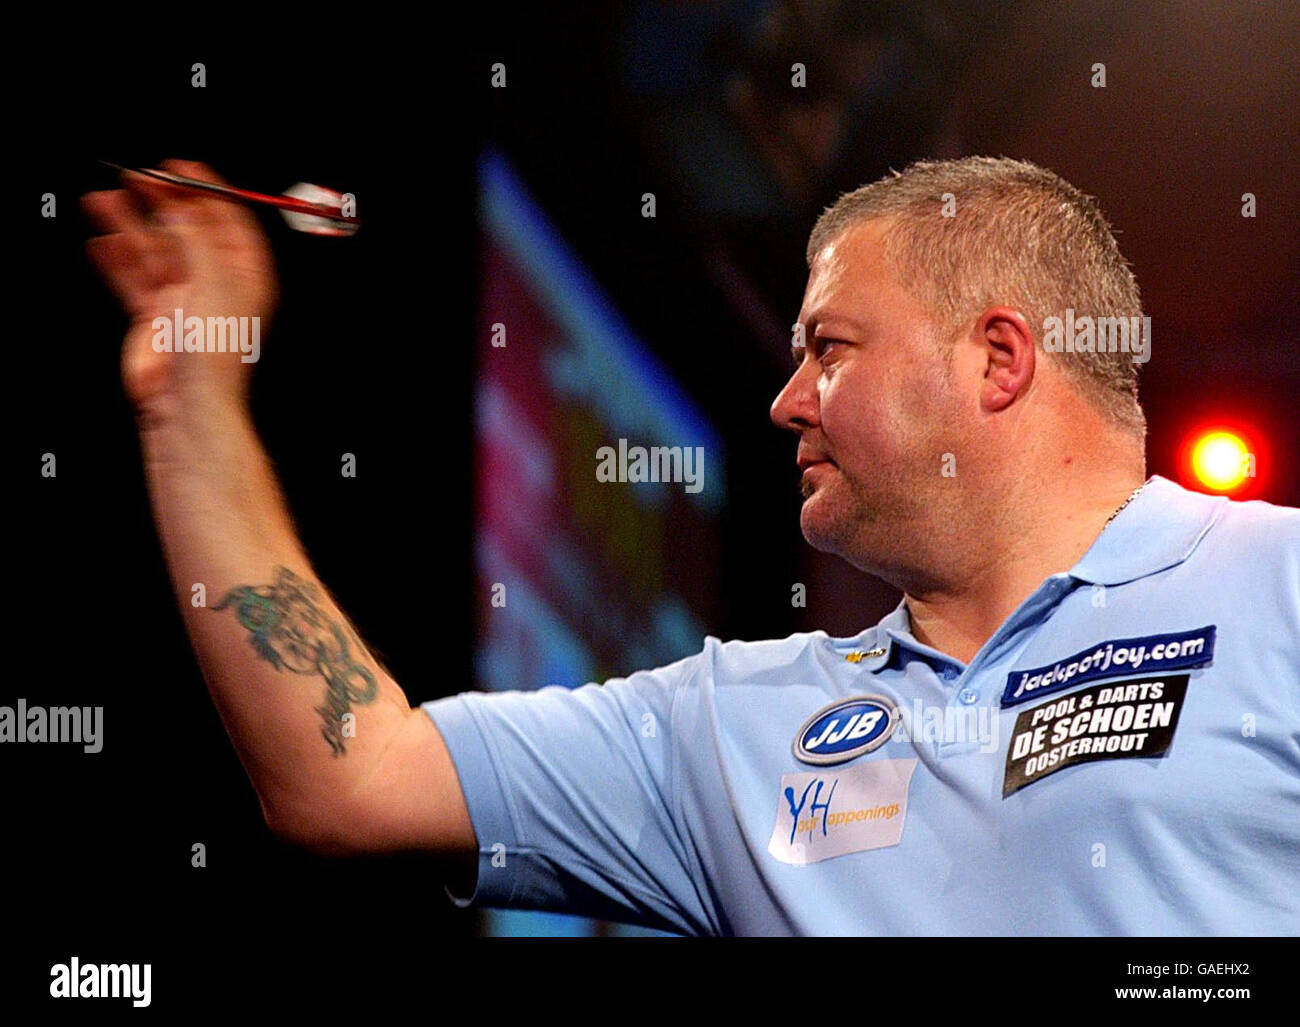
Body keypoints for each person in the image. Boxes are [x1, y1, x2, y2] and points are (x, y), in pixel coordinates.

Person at [83, 157, 1300, 936]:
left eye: (828, 349)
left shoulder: (1274, 585)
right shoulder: (727, 727)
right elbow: (345, 775)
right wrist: (188, 399)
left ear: (998, 358)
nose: (785, 400)